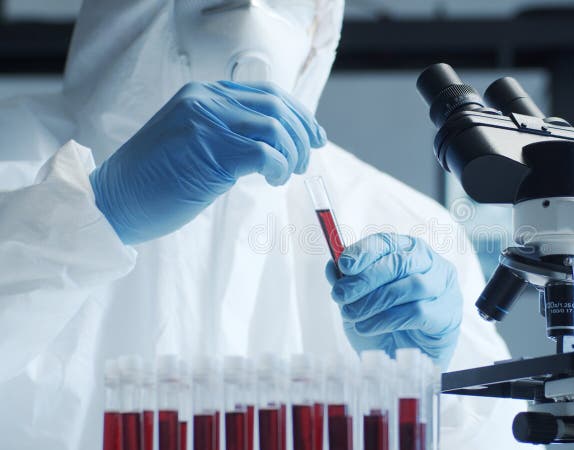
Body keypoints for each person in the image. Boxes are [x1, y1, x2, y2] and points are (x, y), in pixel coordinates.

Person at [0, 0, 528, 448]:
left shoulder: (402, 222)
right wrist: (95, 211)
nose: (253, 10)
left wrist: (424, 391)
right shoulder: (12, 151)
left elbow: (507, 436)